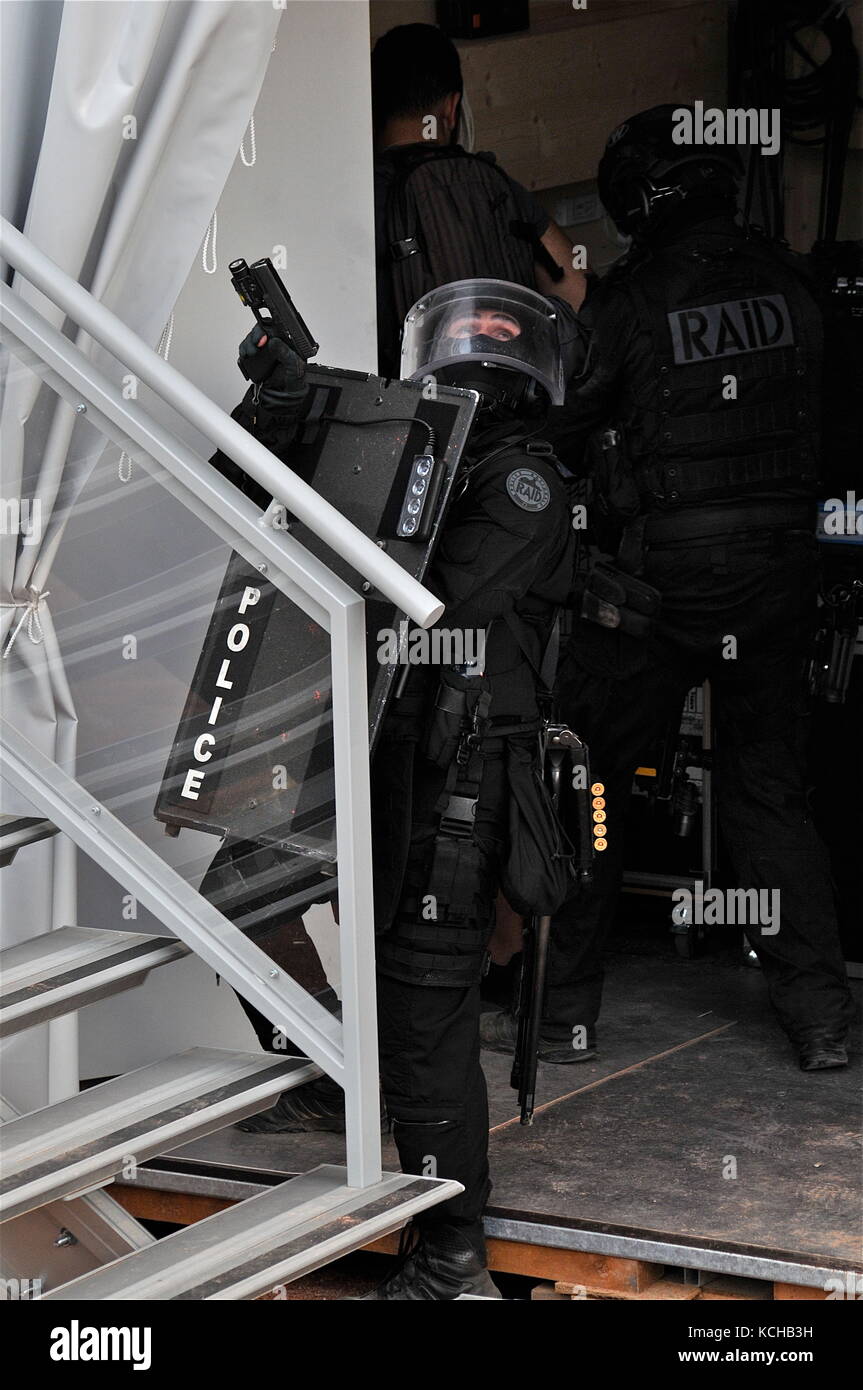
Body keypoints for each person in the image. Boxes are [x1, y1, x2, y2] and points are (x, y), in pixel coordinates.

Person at [480, 105, 855, 1075]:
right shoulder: (792, 286)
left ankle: (561, 1013)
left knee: (591, 786)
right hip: (777, 584)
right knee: (767, 794)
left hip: (655, 595)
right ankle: (818, 1017)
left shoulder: (635, 299)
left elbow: (557, 423)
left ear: (640, 199)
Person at [363, 279, 576, 1298]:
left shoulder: (522, 485)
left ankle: (450, 1253)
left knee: (422, 1005)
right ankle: (354, 1095)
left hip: (460, 782)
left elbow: (434, 603)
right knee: (257, 906)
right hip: (389, 764)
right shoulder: (424, 467)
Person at [371, 22, 587, 378]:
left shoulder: (359, 193)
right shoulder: (496, 184)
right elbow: (578, 296)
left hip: (401, 414)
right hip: (503, 407)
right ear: (452, 108)